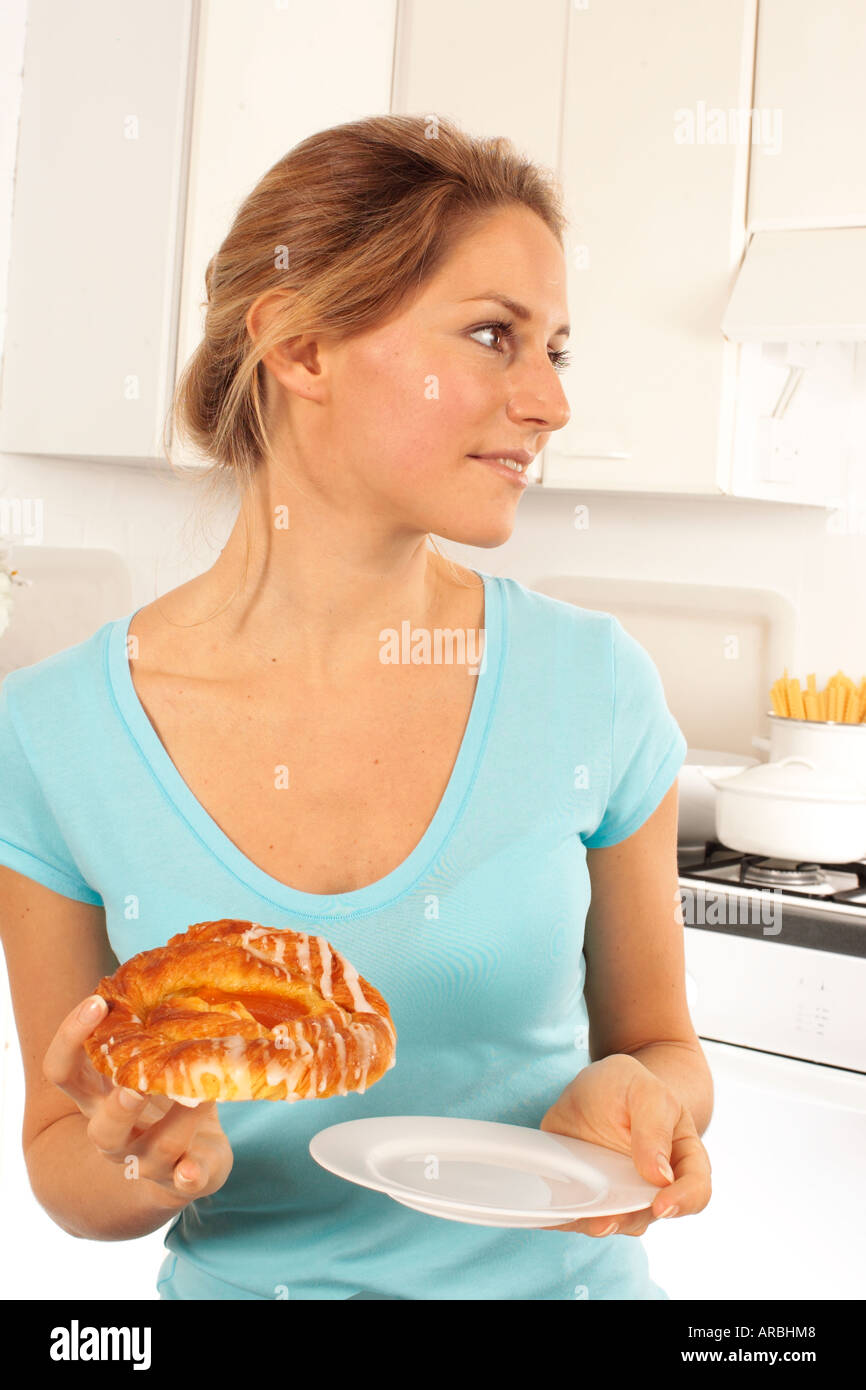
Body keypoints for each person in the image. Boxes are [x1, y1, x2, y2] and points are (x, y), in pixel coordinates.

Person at [0, 113, 712, 1300]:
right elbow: (59, 1155)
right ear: (300, 345)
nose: (548, 402)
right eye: (493, 336)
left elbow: (662, 1043)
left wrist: (645, 1094)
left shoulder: (591, 686)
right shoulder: (54, 735)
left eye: (556, 351)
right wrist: (144, 1161)